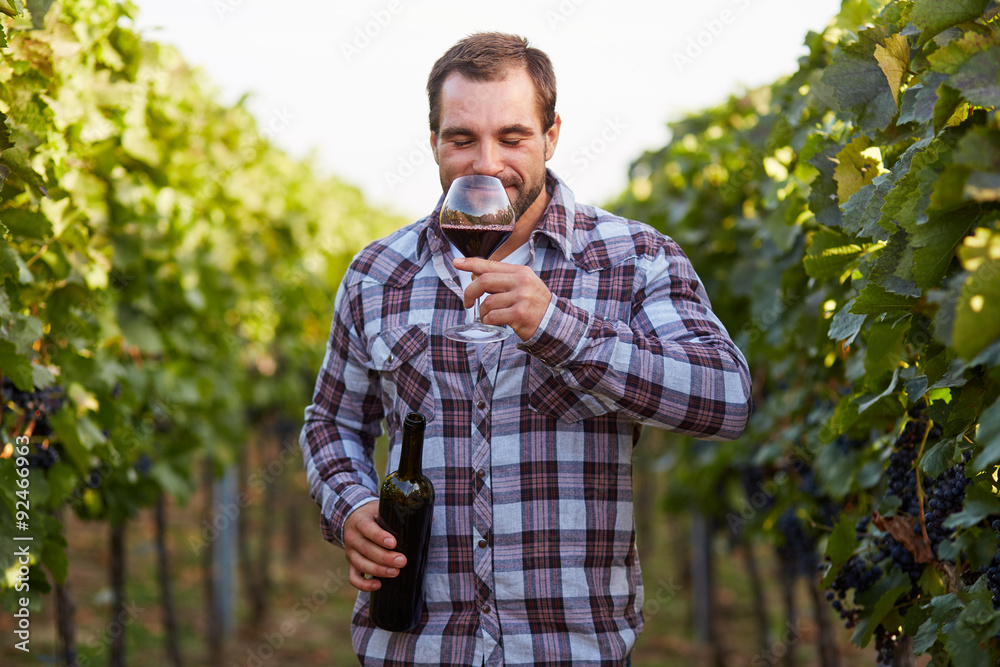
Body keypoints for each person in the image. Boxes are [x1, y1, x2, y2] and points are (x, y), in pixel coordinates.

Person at [300, 32, 752, 667]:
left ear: (552, 135)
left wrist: (560, 329)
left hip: (571, 650)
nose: (486, 163)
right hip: (413, 649)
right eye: (462, 139)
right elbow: (333, 421)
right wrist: (350, 506)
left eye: (512, 137)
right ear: (433, 142)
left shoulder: (634, 259)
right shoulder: (377, 274)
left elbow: (726, 398)